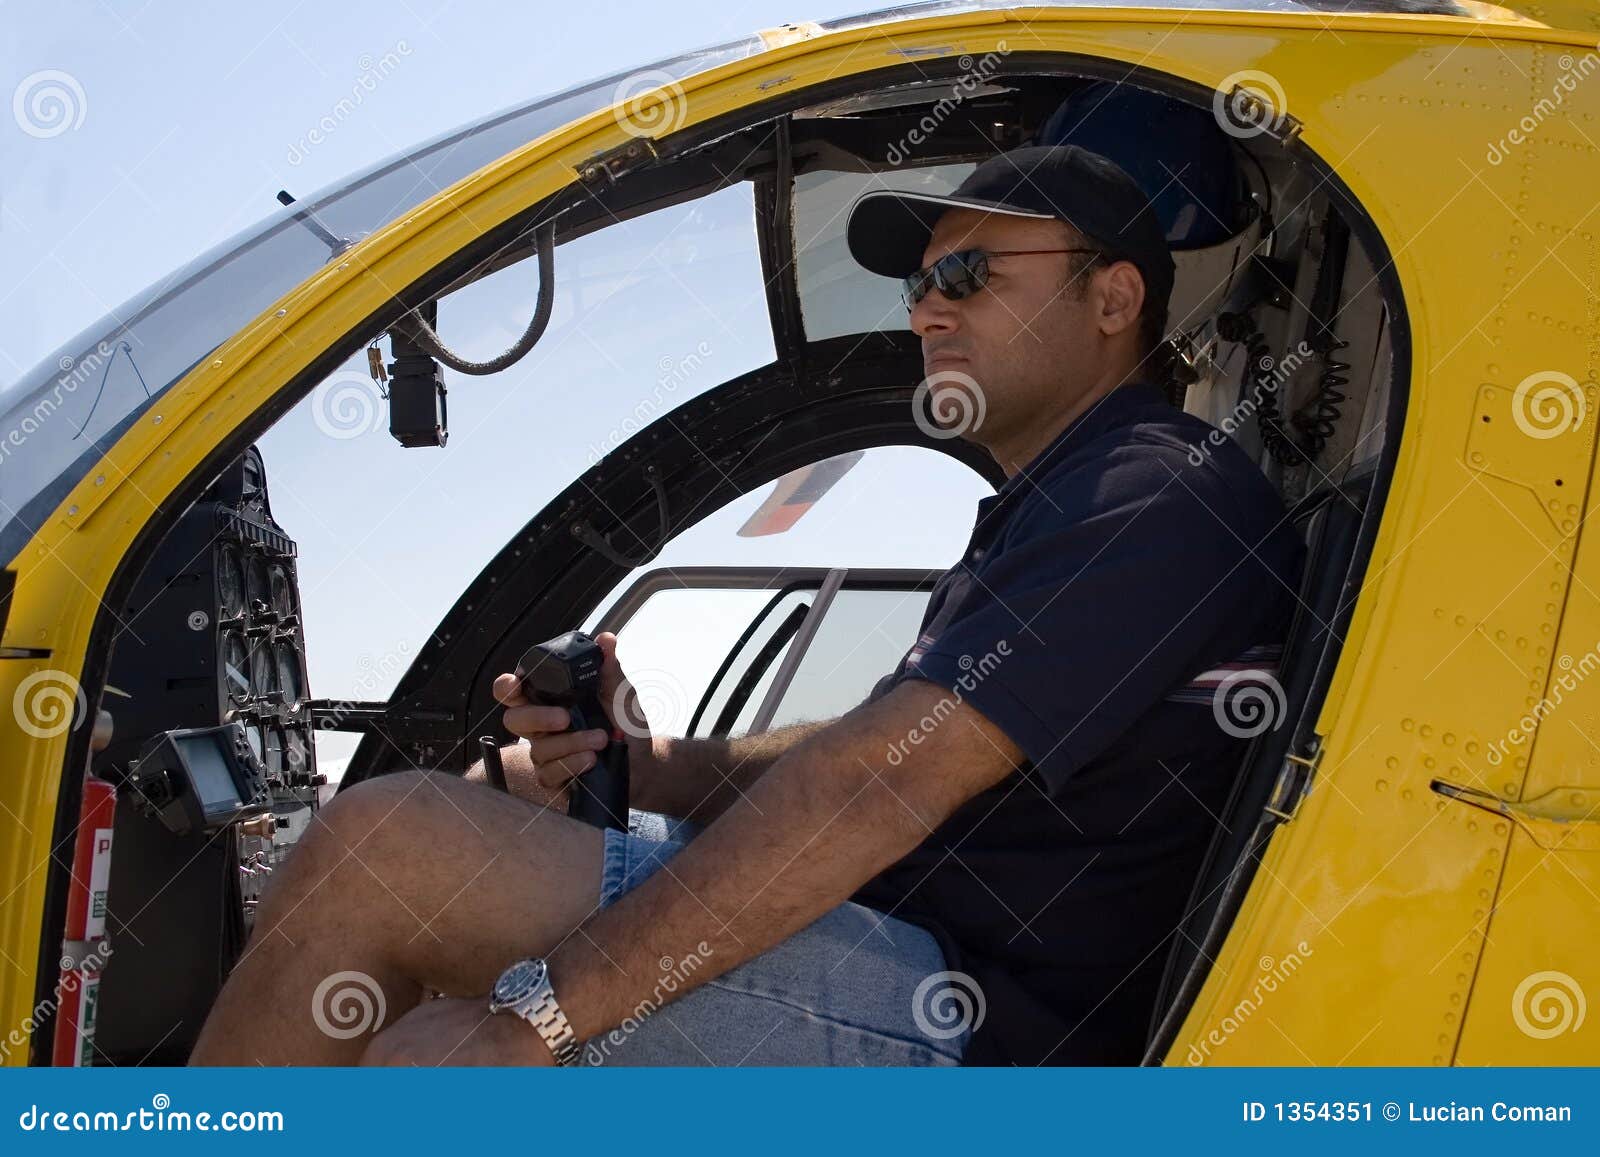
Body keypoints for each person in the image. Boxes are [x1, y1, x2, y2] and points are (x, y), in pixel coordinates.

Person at [190, 145, 1304, 1068]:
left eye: (967, 275)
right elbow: (872, 744)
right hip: (908, 943)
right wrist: (658, 759)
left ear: (1113, 297)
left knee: (389, 849)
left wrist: (541, 1018)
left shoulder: (1154, 490)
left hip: (977, 1023)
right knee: (474, 845)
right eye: (917, 287)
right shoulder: (1059, 501)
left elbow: (879, 778)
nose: (925, 311)